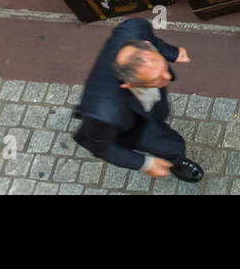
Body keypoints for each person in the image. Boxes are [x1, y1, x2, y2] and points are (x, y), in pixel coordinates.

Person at [72, 17, 204, 182]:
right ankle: (176, 163)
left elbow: (151, 41)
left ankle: (85, 110)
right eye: (156, 79)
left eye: (163, 67)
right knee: (169, 145)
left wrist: (171, 53)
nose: (168, 76)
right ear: (129, 85)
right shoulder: (108, 113)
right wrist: (145, 163)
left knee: (159, 114)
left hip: (109, 102)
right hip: (126, 120)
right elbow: (102, 148)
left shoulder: (134, 27)